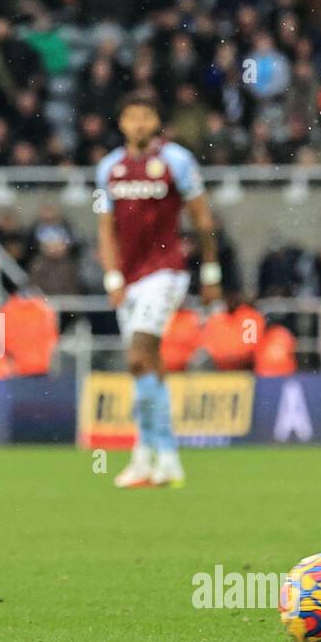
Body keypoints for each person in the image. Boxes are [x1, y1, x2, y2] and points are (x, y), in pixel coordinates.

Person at [95, 92, 219, 488]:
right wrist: (112, 276)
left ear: (156, 122)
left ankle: (149, 455)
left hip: (166, 272)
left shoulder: (177, 161)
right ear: (122, 124)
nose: (138, 124)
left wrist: (212, 270)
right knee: (146, 364)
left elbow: (201, 218)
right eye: (131, 117)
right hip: (128, 279)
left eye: (146, 116)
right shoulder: (108, 169)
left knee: (137, 355)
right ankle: (161, 460)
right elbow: (105, 228)